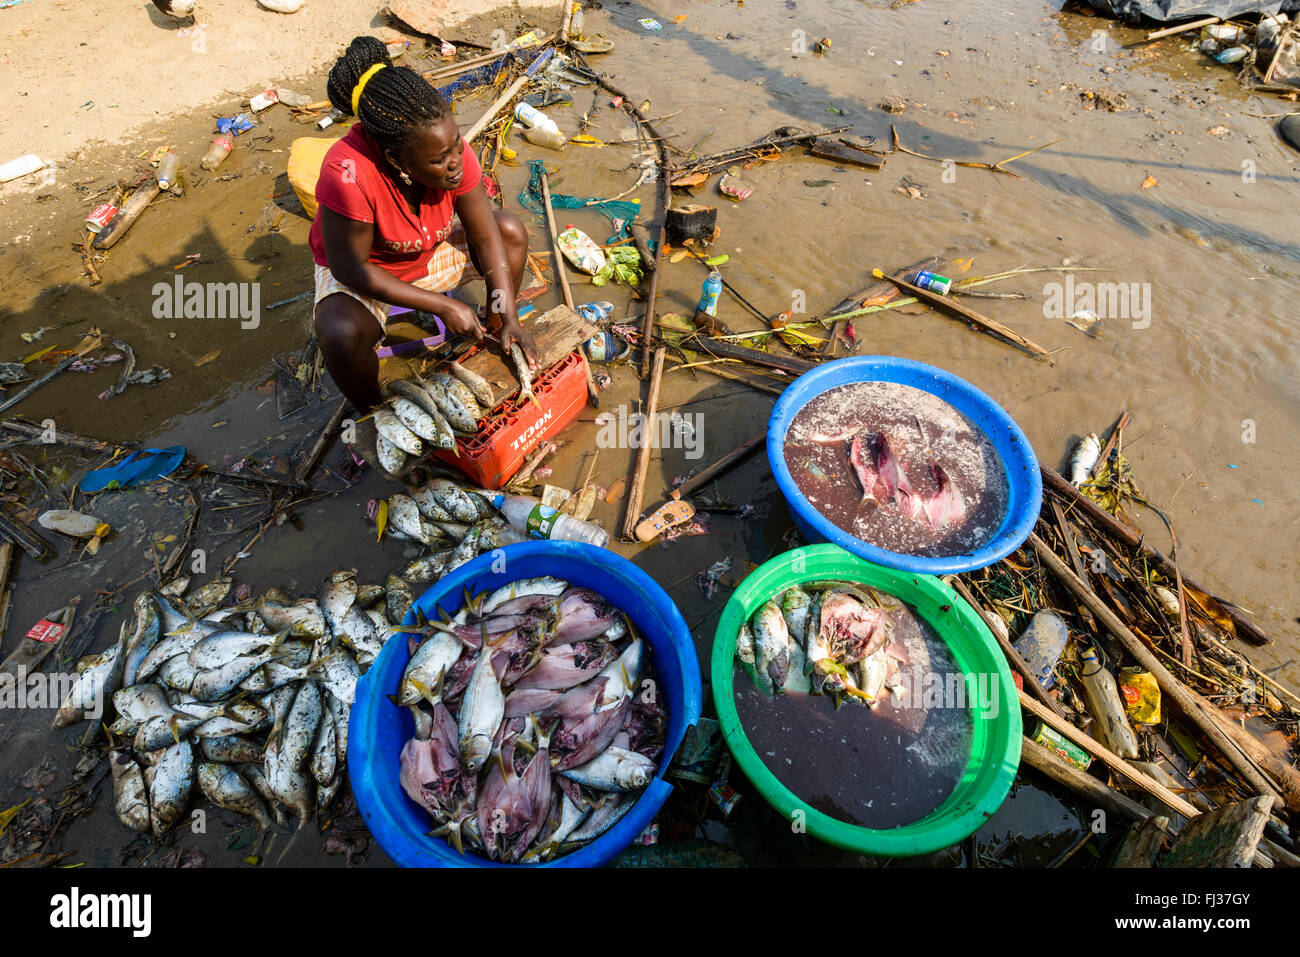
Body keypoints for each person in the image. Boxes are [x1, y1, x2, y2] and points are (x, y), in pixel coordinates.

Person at [309, 36, 539, 432]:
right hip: (371, 271)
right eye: (438, 160)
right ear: (396, 158)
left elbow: (486, 238)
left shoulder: (452, 152)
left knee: (510, 232)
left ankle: (496, 332)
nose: (455, 163)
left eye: (455, 146)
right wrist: (443, 306)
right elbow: (350, 268)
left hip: (427, 250)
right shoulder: (347, 171)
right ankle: (376, 414)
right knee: (340, 332)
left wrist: (508, 311)